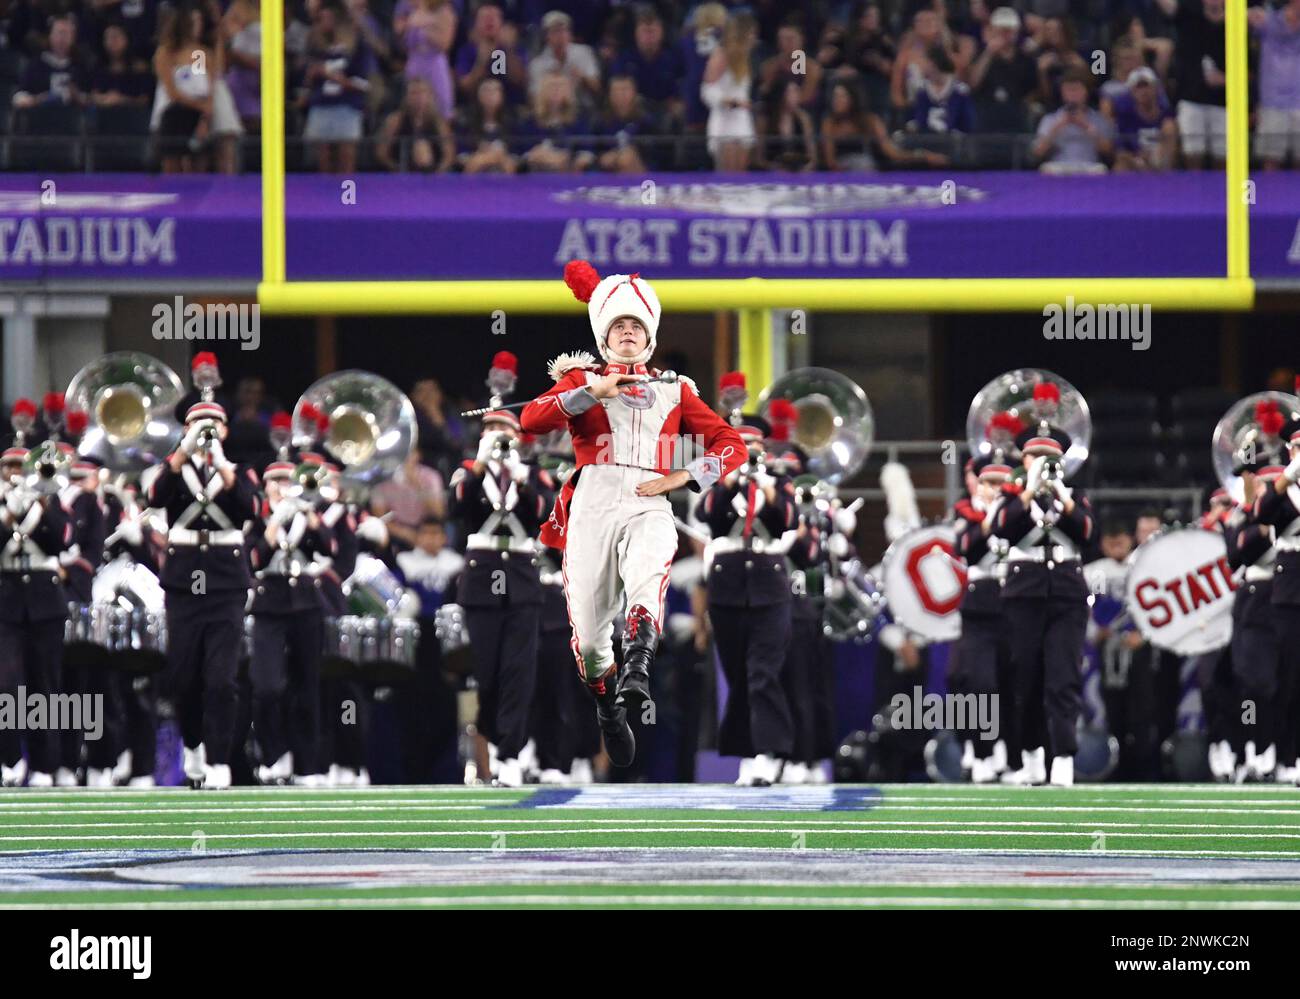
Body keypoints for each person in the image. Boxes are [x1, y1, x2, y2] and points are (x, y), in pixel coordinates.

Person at [519, 260, 745, 770]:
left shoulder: (675, 388)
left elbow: (733, 445)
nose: (627, 332)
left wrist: (685, 478)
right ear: (603, 334)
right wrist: (589, 392)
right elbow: (532, 419)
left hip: (648, 497)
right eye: (618, 325)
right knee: (591, 641)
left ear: (649, 335)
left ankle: (638, 666)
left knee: (650, 568)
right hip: (592, 499)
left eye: (636, 325)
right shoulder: (583, 378)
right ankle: (606, 706)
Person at [146, 356, 258, 789]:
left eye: (214, 424)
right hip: (183, 579)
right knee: (183, 674)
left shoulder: (239, 472)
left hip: (226, 581)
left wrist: (224, 465)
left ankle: (219, 759)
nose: (208, 432)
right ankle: (193, 743)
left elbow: (250, 510)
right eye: (199, 424)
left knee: (222, 678)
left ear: (227, 430)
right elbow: (155, 497)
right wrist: (182, 454)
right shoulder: (174, 473)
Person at [449, 410, 553, 786]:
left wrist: (522, 475)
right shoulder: (468, 473)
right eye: (491, 429)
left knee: (518, 672)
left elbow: (544, 512)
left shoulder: (532, 472)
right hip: (482, 579)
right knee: (487, 673)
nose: (498, 436)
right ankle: (493, 741)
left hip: (522, 578)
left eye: (504, 430)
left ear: (518, 436)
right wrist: (479, 466)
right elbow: (456, 508)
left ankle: (510, 754)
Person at [991, 415, 1095, 786]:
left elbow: (1085, 532)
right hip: (1024, 592)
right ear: (1023, 459)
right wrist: (1028, 491)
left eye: (1049, 457)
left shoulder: (1076, 495)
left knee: (1063, 676)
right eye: (1034, 456)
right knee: (1026, 675)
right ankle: (1032, 753)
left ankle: (1064, 756)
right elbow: (1002, 528)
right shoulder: (1009, 496)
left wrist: (1063, 497)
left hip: (1067, 591)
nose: (1043, 463)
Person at [248, 458, 335, 786]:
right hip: (269, 600)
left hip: (305, 602)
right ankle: (273, 754)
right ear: (266, 486)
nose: (284, 487)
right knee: (267, 684)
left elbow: (329, 548)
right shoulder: (257, 518)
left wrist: (310, 517)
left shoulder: (305, 515)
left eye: (289, 481)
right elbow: (252, 559)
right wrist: (272, 529)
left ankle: (307, 764)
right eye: (277, 481)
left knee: (307, 686)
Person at [0, 440, 72, 788]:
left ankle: (45, 764)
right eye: (10, 468)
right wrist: (8, 513)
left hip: (44, 599)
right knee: (7, 686)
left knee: (47, 688)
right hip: (7, 598)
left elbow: (60, 541)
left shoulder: (49, 500)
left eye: (21, 467)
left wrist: (39, 503)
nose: (16, 474)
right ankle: (11, 759)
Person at [952, 455, 1013, 782]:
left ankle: (1008, 747)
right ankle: (982, 749)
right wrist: (992, 517)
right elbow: (966, 547)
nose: (995, 489)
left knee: (1010, 681)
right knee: (980, 683)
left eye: (1001, 483)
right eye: (989, 482)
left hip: (1015, 601)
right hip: (980, 604)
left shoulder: (1020, 510)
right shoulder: (967, 511)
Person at [1157, 0, 1227, 168]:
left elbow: (1250, 70)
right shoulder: (1189, 14)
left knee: (1223, 158)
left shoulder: (1236, 23)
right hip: (1191, 99)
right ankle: (1195, 193)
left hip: (1225, 102)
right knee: (1192, 155)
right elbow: (1168, 6)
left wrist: (1225, 79)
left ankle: (1222, 194)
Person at [701, 12, 756, 171]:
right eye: (751, 34)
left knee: (741, 177)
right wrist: (731, 102)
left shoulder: (746, 58)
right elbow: (706, 91)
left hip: (742, 121)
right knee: (728, 179)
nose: (754, 38)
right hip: (725, 122)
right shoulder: (721, 55)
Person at [1249, 0, 1300, 170]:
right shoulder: (1268, 21)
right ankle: (1269, 196)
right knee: (1271, 160)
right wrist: (1249, 14)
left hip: (1299, 101)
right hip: (1273, 102)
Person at [1031, 69, 1113, 170]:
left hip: (1089, 165)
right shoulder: (1050, 118)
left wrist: (1086, 125)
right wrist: (1057, 127)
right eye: (1068, 90)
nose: (1073, 94)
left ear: (1086, 92)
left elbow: (1108, 150)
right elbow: (1038, 152)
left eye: (1076, 90)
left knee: (1101, 170)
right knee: (1046, 169)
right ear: (1062, 92)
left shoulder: (1098, 118)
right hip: (1059, 165)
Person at [374, 77, 456, 172]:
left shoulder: (439, 122)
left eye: (422, 93)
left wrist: (438, 173)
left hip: (433, 174)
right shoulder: (395, 120)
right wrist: (397, 169)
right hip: (402, 171)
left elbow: (449, 155)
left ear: (430, 96)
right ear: (407, 97)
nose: (418, 97)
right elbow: (381, 153)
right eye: (414, 93)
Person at [528, 8, 601, 110]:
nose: (560, 35)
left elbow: (597, 88)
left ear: (570, 34)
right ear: (546, 36)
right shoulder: (538, 64)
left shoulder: (583, 52)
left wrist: (582, 78)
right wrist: (550, 85)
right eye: (555, 31)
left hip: (583, 109)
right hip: (552, 111)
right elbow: (533, 98)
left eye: (564, 30)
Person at [1109, 66, 1177, 171]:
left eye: (1146, 86)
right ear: (1132, 91)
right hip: (1136, 162)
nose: (1143, 91)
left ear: (1156, 88)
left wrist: (1154, 158)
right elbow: (1120, 150)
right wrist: (1137, 160)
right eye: (1138, 87)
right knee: (1120, 166)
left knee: (1170, 127)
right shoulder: (1125, 116)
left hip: (1161, 163)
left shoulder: (1167, 114)